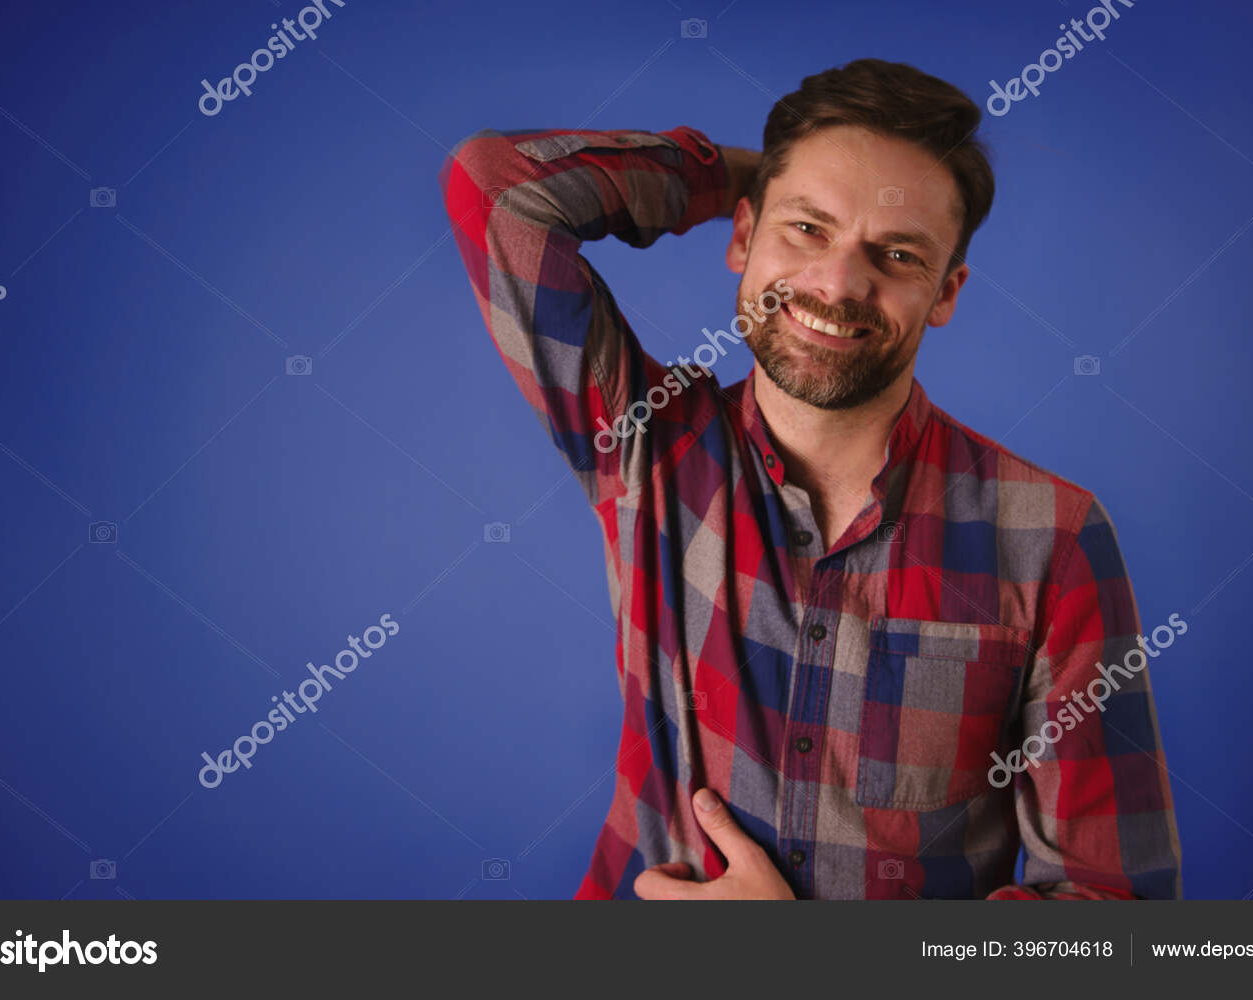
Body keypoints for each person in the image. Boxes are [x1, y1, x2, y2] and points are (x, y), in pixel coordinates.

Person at [438, 58, 1181, 899]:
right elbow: (496, 189)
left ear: (945, 293)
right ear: (741, 235)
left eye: (896, 252)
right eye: (808, 230)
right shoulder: (644, 444)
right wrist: (753, 175)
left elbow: (1116, 910)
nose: (838, 284)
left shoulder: (1052, 538)